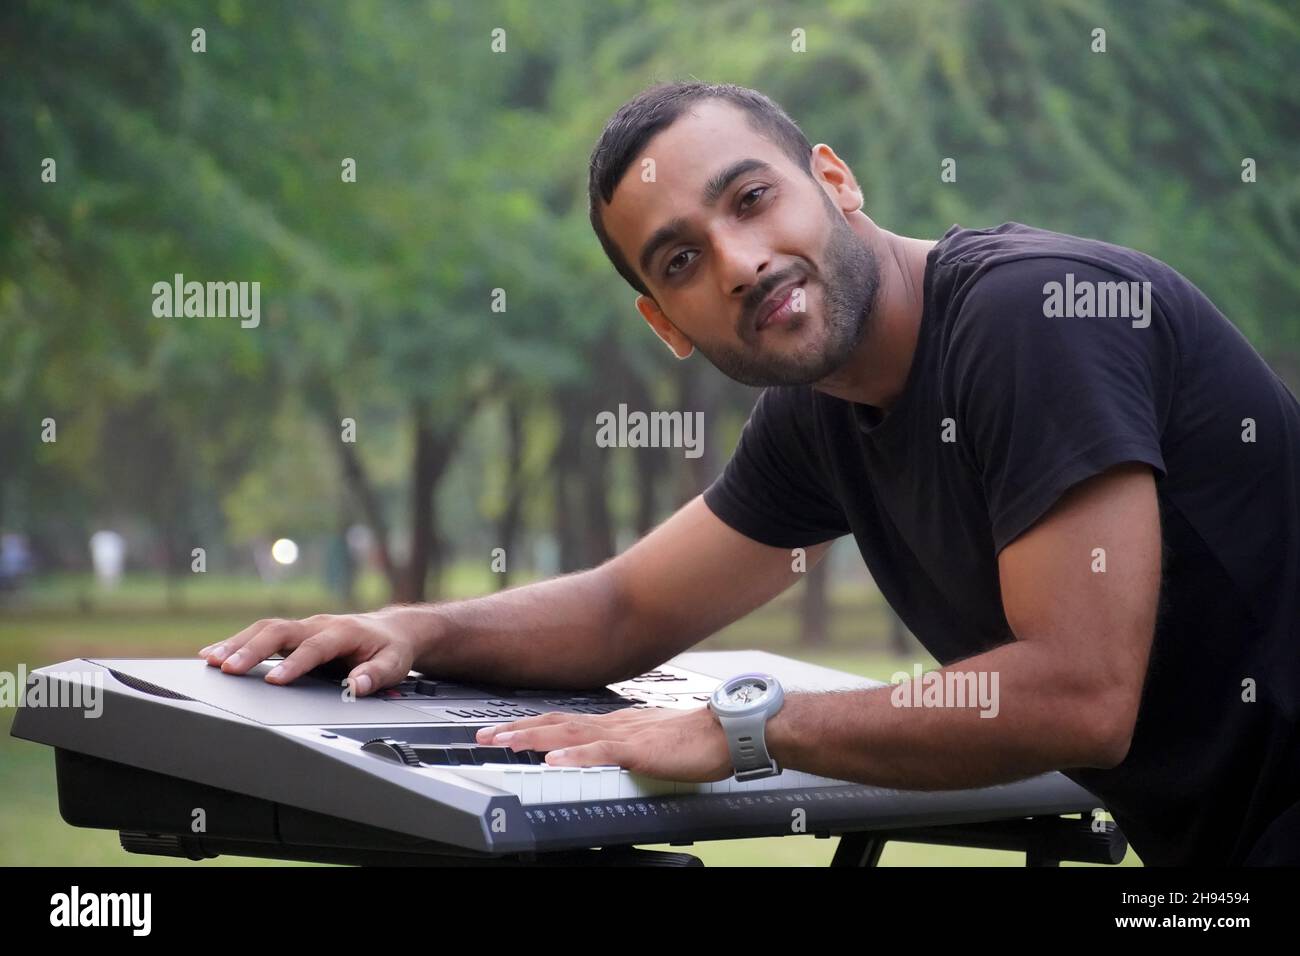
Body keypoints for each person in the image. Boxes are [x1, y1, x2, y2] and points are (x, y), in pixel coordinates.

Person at [199, 82, 1300, 865]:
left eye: (749, 197)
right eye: (679, 259)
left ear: (833, 177)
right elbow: (625, 607)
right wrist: (412, 628)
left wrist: (743, 728)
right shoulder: (816, 417)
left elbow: (1079, 695)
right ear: (662, 322)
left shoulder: (1028, 320)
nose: (739, 261)